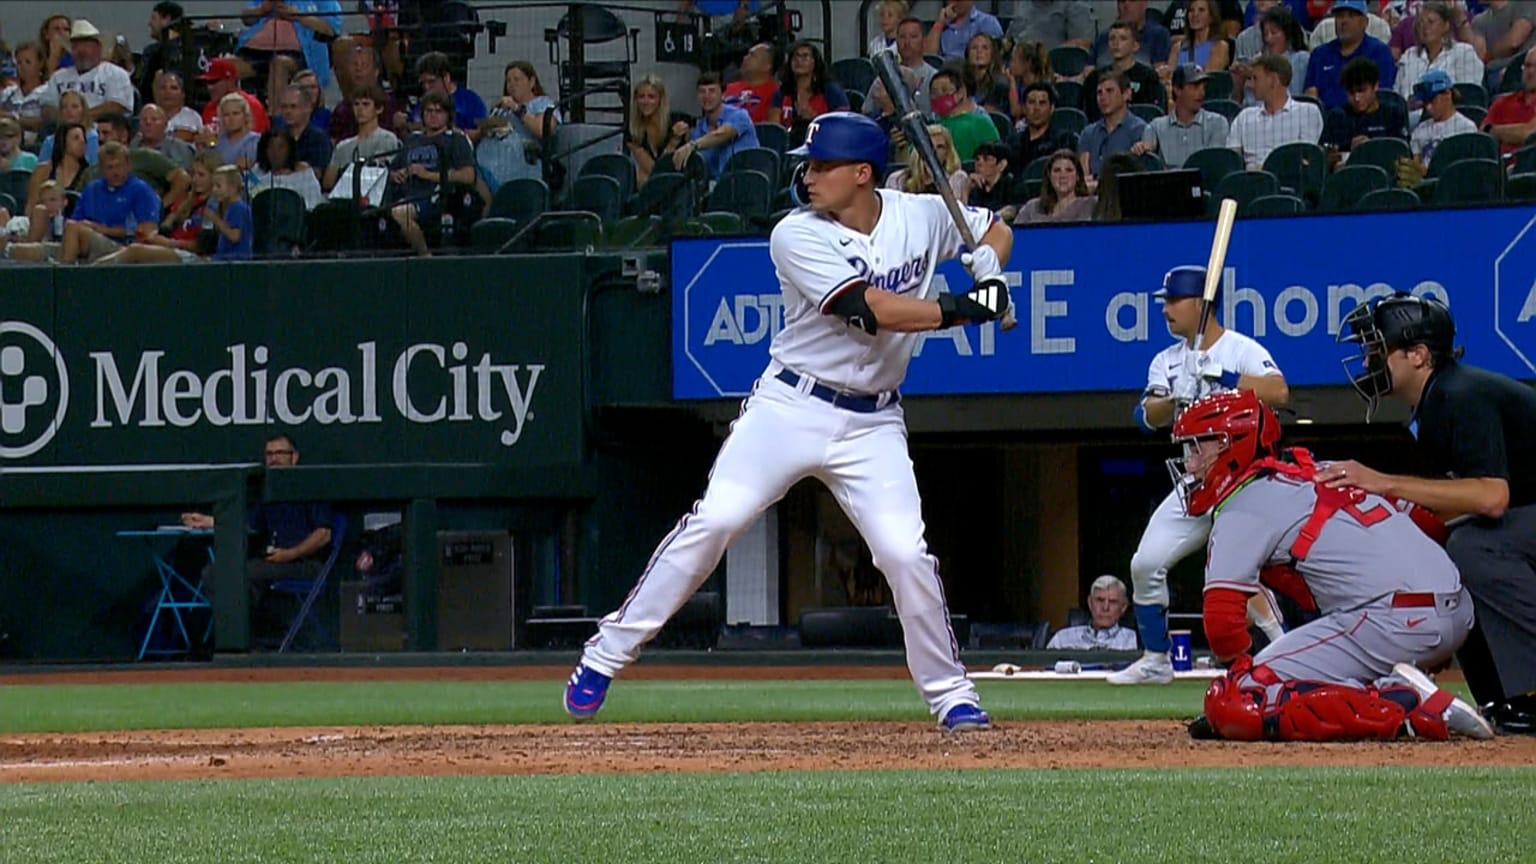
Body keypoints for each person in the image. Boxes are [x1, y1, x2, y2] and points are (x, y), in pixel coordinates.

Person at [564, 112, 1013, 731]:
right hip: (791, 407)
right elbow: (868, 310)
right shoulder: (795, 235)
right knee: (716, 520)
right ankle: (605, 653)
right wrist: (965, 307)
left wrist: (988, 266)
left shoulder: (924, 215)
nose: (808, 175)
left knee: (905, 556)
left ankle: (952, 694)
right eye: (808, 163)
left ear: (863, 174)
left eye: (822, 165)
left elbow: (994, 229)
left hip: (873, 421)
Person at [1174, 390, 1493, 742]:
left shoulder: (1241, 507)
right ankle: (1391, 682)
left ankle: (1409, 704)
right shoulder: (1322, 470)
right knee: (1290, 673)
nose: (1190, 464)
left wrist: (1246, 687)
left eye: (1197, 448)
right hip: (1458, 611)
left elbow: (1222, 627)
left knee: (1236, 698)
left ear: (1230, 445)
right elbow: (1427, 524)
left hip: (1392, 622)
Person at [1329, 293, 1536, 736]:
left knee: (1473, 545)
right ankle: (1504, 699)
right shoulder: (1437, 398)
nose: (1368, 362)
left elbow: (1492, 497)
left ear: (1418, 355)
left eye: (1376, 349)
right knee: (1446, 552)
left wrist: (1381, 482)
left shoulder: (1460, 394)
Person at [1106, 265, 1289, 685]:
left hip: (1243, 481)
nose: (1165, 309)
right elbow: (1145, 416)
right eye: (1164, 301)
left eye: (1173, 301)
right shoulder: (1167, 360)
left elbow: (1279, 392)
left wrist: (1222, 377)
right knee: (1145, 563)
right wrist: (1175, 399)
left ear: (1200, 303)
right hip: (1194, 480)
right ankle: (1155, 659)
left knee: (1235, 572)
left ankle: (1283, 648)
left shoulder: (1239, 348)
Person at [181, 433, 333, 640]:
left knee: (239, 575)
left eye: (280, 453)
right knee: (213, 572)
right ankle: (244, 636)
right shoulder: (267, 490)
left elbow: (324, 534)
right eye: (269, 454)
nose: (274, 459)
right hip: (270, 562)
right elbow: (248, 525)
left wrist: (290, 554)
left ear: (294, 457)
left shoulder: (310, 486)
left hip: (305, 564)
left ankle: (244, 636)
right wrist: (208, 521)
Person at [1134, 64, 1229, 168]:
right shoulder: (1156, 127)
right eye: (1195, 87)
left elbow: (1213, 167)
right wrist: (1142, 148)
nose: (1202, 93)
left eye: (1203, 87)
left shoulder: (1217, 123)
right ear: (1177, 90)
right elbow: (1148, 157)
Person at [1396, 1, 1484, 111]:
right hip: (1411, 122)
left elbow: (1468, 96)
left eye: (1431, 22)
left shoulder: (1464, 52)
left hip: (1451, 120)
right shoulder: (1409, 56)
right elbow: (1398, 98)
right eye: (1420, 23)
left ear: (1445, 26)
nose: (1424, 27)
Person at [1322, 57, 1408, 160]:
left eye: (1361, 91)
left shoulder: (1393, 115)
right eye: (1351, 93)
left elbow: (1403, 152)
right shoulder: (1337, 117)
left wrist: (1372, 147)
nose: (1357, 98)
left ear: (1375, 86)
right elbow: (1323, 157)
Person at [676, 72, 760, 178]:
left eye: (712, 91)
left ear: (723, 95)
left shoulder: (740, 115)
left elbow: (722, 134)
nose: (706, 96)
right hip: (715, 188)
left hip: (746, 182)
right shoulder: (697, 131)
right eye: (702, 92)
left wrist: (692, 145)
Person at [1046, 575, 1139, 651]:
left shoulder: (1135, 641)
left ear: (1123, 607)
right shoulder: (1062, 639)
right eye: (1100, 600)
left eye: (1112, 601)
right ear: (1090, 603)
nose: (1105, 607)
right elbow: (1043, 670)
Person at [626, 75, 687, 189]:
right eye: (641, 97)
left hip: (679, 178)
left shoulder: (677, 121)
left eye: (651, 97)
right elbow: (655, 170)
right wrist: (672, 142)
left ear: (660, 99)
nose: (645, 101)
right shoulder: (632, 130)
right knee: (642, 178)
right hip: (655, 181)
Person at [886, 123, 970, 200]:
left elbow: (955, 212)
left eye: (940, 147)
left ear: (948, 152)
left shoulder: (957, 178)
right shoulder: (897, 179)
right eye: (929, 146)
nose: (934, 151)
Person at [1015, 147, 1096, 223]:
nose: (1063, 176)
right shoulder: (1032, 208)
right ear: (1049, 176)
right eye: (1057, 170)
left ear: (1078, 176)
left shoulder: (1092, 205)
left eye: (1069, 170)